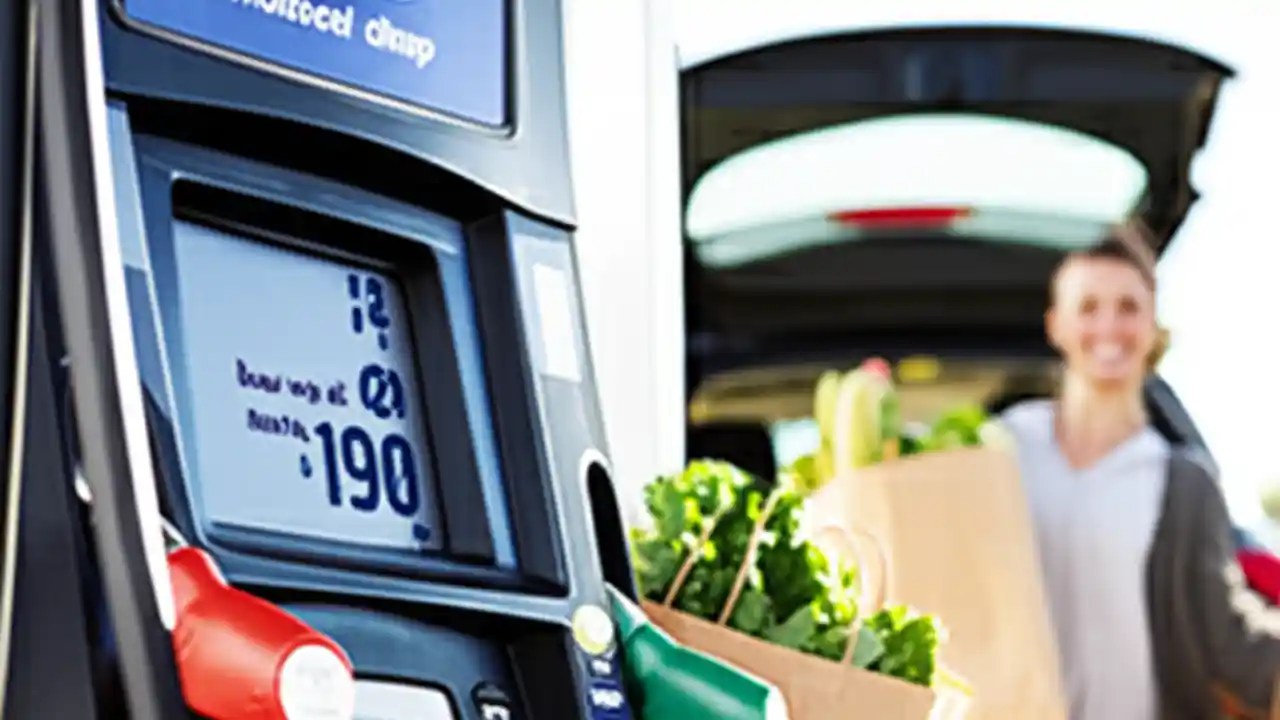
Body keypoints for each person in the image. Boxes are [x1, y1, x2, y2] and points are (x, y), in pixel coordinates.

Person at [999, 222, 1280, 720]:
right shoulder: (1002, 450)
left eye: (1128, 308)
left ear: (1153, 327)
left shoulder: (1184, 485)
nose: (1109, 327)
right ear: (1055, 325)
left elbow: (1231, 638)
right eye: (1087, 307)